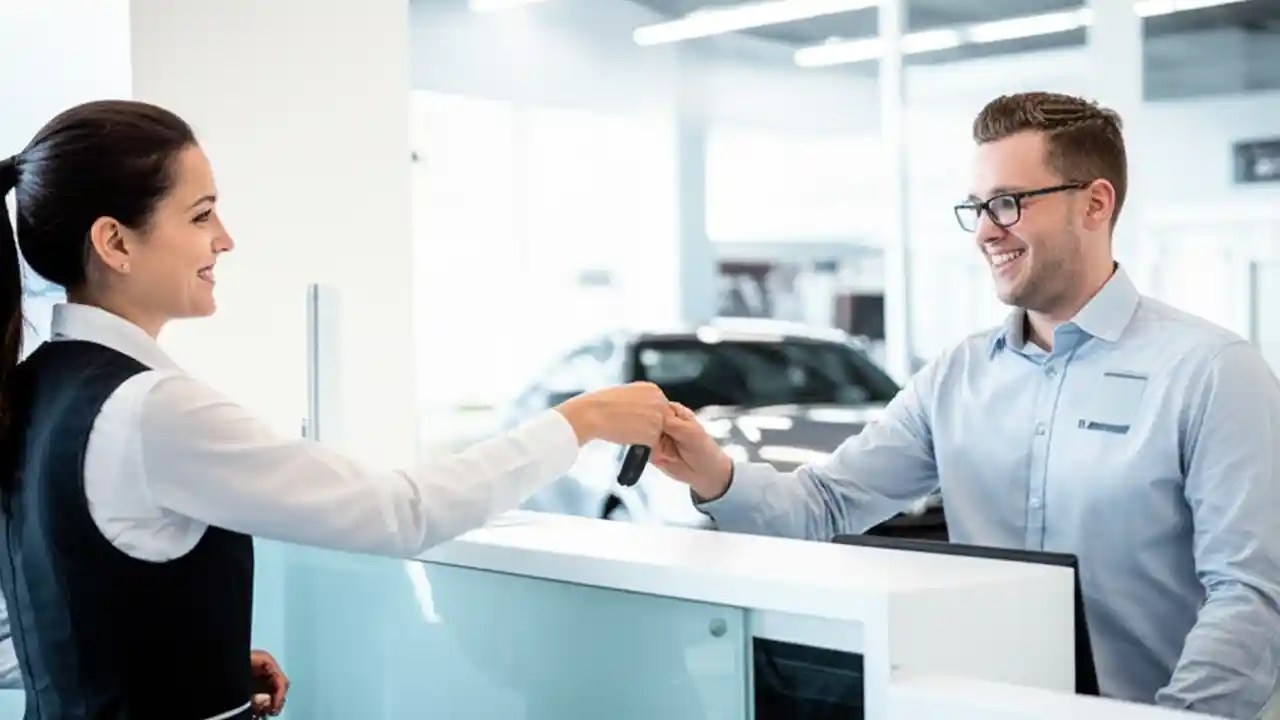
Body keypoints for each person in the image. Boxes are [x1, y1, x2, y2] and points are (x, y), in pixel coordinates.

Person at [0, 100, 670, 720]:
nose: (225, 239)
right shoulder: (151, 412)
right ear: (115, 243)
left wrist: (195, 670)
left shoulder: (33, 386)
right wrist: (581, 421)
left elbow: (58, 615)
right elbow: (402, 513)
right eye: (201, 215)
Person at [654, 91, 1280, 719]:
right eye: (977, 207)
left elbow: (1250, 597)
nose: (985, 231)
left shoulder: (1213, 372)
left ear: (1095, 203)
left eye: (1008, 203)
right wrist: (712, 472)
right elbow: (827, 505)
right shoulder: (957, 377)